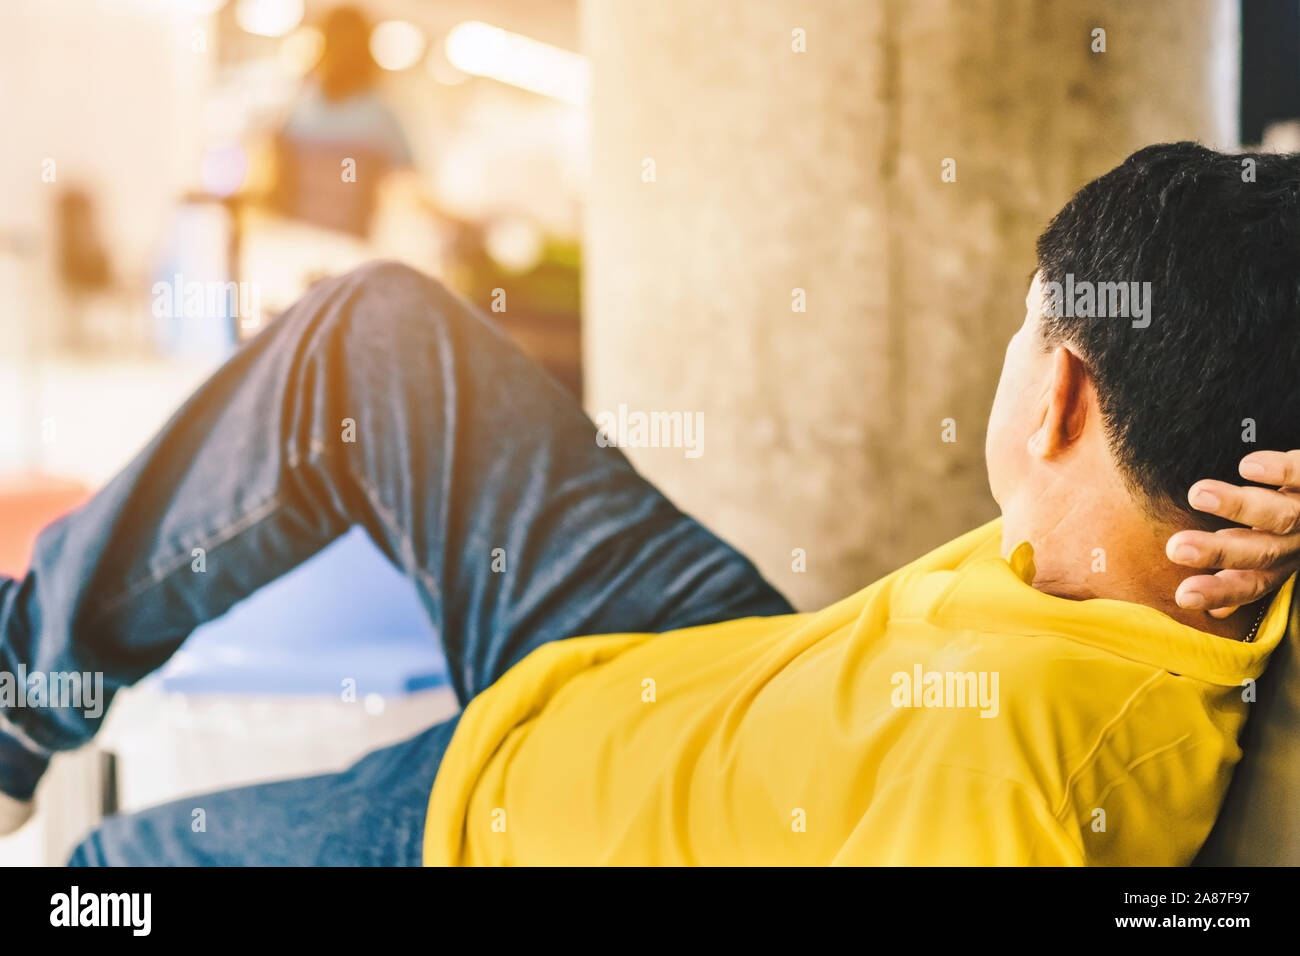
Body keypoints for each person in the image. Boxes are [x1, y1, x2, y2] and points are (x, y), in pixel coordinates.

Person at [2, 143, 1299, 864]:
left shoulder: (1005, 788)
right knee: (377, 336)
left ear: (1058, 397)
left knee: (117, 877)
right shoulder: (1220, 537)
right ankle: (17, 700)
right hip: (711, 666)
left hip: (527, 811)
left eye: (1025, 330)